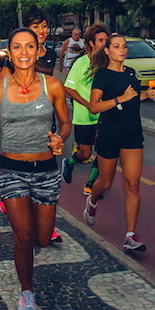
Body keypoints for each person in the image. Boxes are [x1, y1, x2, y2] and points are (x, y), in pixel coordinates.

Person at [0, 27, 71, 310]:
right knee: (24, 236)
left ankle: (21, 219)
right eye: (17, 47)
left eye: (30, 46)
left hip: (45, 171)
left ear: (38, 51)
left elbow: (65, 123)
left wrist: (60, 138)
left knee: (42, 238)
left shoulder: (53, 86)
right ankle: (26, 290)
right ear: (10, 52)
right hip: (11, 170)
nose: (24, 52)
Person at [83, 35, 155, 252]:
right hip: (109, 133)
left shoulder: (131, 73)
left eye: (124, 47)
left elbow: (133, 97)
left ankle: (130, 235)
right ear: (107, 51)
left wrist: (146, 94)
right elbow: (94, 107)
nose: (122, 50)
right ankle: (93, 200)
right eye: (117, 47)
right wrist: (119, 99)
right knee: (105, 183)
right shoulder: (102, 76)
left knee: (133, 184)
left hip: (132, 134)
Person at [62, 23, 109, 194]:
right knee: (85, 154)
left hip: (105, 116)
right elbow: (68, 87)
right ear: (91, 43)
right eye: (101, 40)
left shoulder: (108, 63)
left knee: (103, 153)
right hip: (84, 116)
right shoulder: (82, 63)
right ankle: (70, 162)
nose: (105, 43)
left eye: (106, 40)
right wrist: (88, 104)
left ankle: (90, 184)